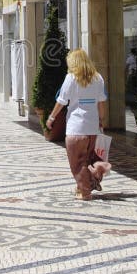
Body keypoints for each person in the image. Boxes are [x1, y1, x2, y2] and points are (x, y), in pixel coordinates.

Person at [46, 49, 110, 201]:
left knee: (77, 164)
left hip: (76, 128)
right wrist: (102, 120)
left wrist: (51, 117)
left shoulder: (71, 78)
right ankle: (88, 181)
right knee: (87, 160)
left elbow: (61, 101)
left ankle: (86, 190)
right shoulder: (98, 78)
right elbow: (101, 102)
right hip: (92, 128)